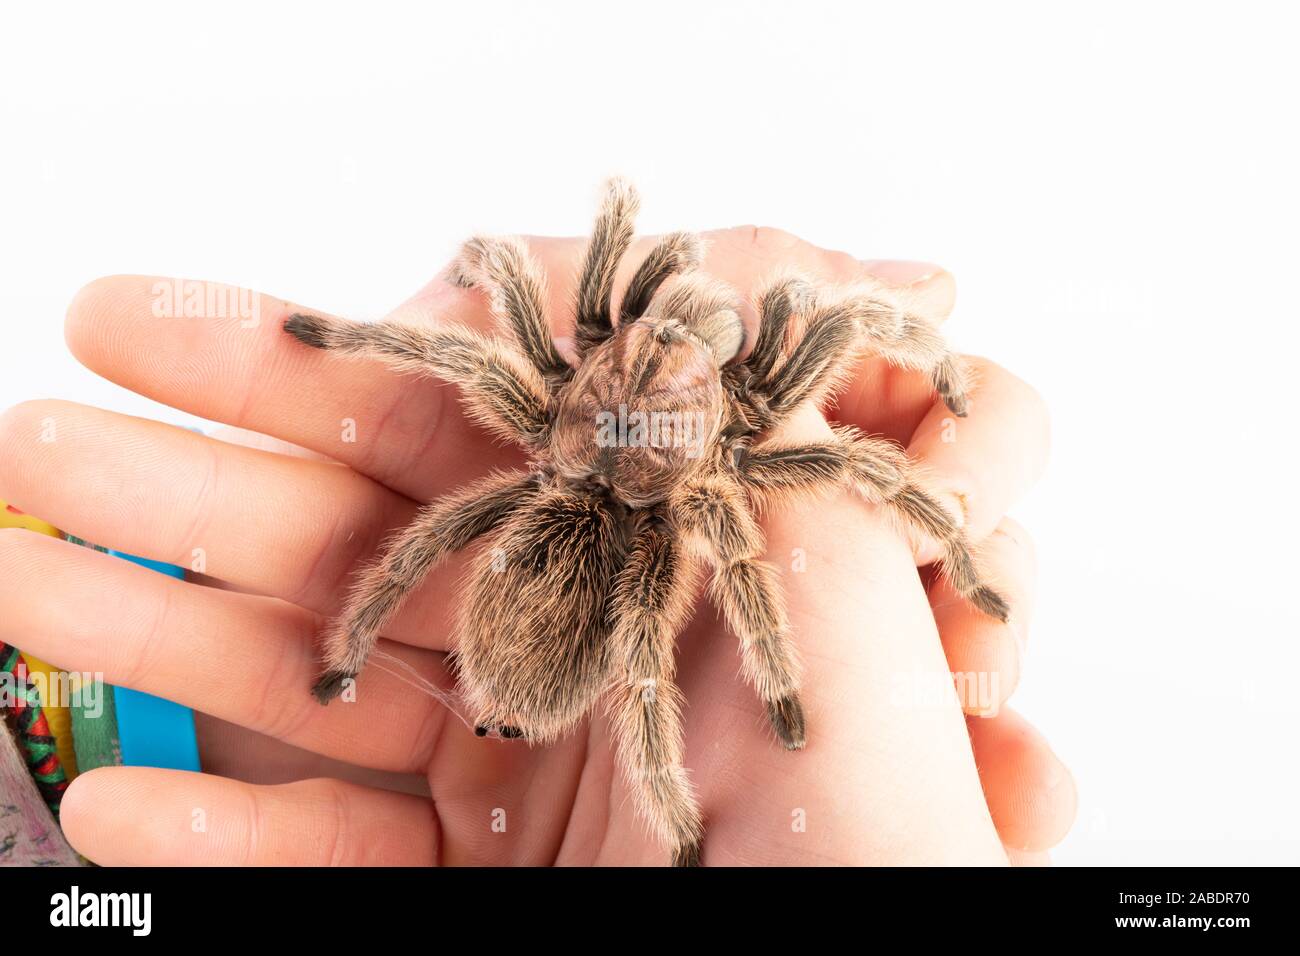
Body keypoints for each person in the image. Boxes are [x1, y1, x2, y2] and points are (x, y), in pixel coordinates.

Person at [0, 225, 1072, 865]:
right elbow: (841, 433)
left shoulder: (554, 407)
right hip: (585, 557)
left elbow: (494, 299)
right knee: (681, 593)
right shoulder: (723, 467)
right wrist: (944, 389)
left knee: (467, 544)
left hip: (547, 522)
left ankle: (359, 650)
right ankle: (659, 790)